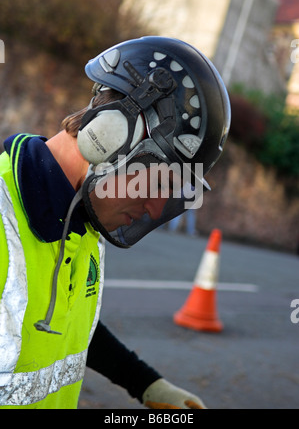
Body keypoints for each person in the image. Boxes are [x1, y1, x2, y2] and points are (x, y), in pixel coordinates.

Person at [0, 36, 230, 409]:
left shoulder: (82, 222)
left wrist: (145, 384)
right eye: (157, 181)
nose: (156, 210)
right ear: (109, 137)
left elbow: (63, 327)